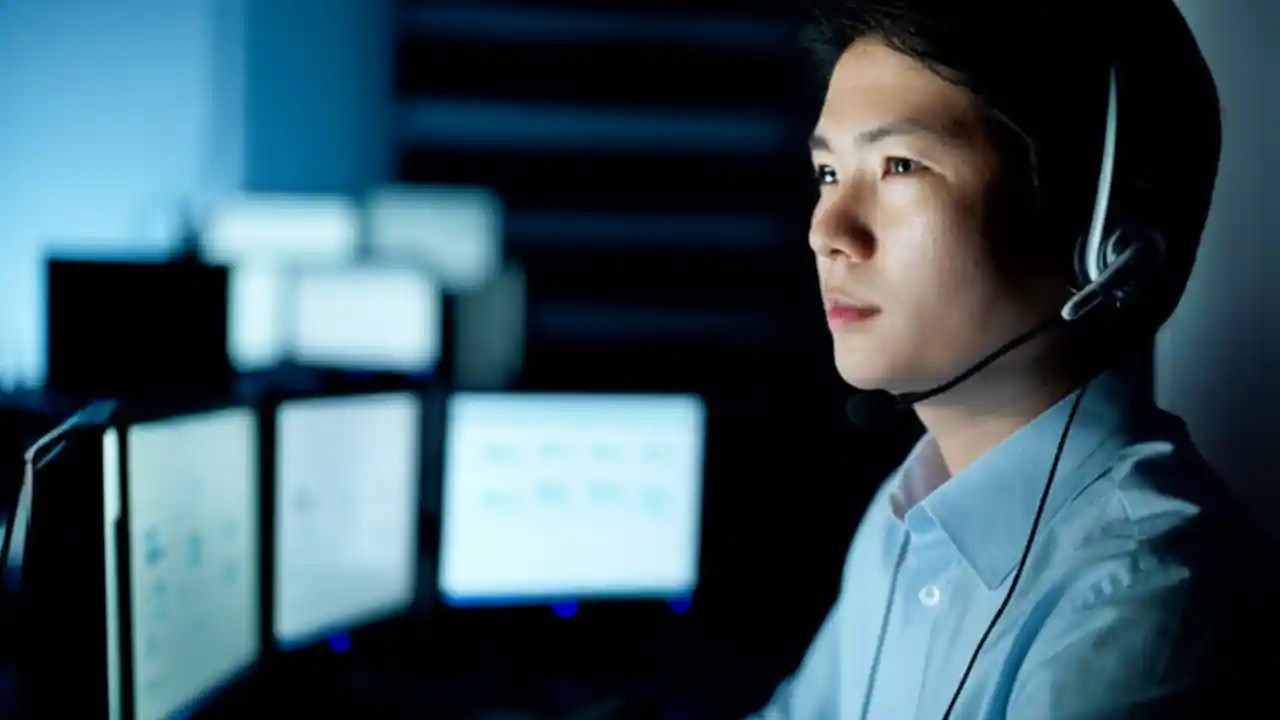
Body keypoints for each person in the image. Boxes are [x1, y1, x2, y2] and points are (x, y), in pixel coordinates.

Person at [753, 0, 1280, 717]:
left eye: (899, 165)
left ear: (1102, 238)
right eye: (827, 173)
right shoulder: (906, 514)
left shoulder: (1147, 600)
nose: (827, 231)